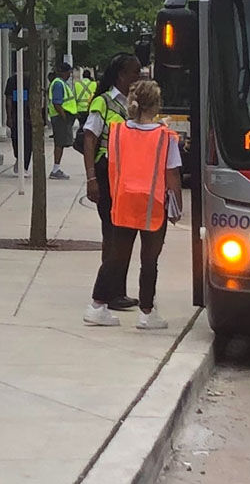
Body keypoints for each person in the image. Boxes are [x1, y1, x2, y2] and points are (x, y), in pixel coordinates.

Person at [84, 80, 179, 328]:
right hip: (153, 204)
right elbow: (172, 174)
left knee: (116, 257)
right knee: (149, 260)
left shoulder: (118, 132)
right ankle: (147, 313)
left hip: (124, 201)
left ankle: (97, 306)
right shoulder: (165, 136)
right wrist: (176, 205)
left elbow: (114, 164)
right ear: (156, 105)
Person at [82, 53, 143, 311]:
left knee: (124, 235)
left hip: (126, 177)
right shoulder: (103, 103)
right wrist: (91, 179)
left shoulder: (133, 105)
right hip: (106, 176)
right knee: (113, 234)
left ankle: (117, 289)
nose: (137, 78)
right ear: (120, 75)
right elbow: (89, 139)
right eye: (134, 73)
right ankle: (107, 292)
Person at [47, 62, 77, 179]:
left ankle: (57, 168)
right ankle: (56, 169)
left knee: (62, 143)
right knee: (59, 143)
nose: (70, 75)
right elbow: (57, 103)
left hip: (61, 117)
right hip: (60, 118)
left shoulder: (60, 83)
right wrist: (64, 117)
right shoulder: (59, 84)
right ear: (64, 72)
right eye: (69, 72)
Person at [4, 71, 32, 175]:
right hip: (16, 115)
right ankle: (19, 159)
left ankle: (24, 166)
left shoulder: (31, 80)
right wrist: (9, 117)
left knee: (28, 142)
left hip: (28, 116)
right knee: (16, 139)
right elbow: (8, 99)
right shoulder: (12, 81)